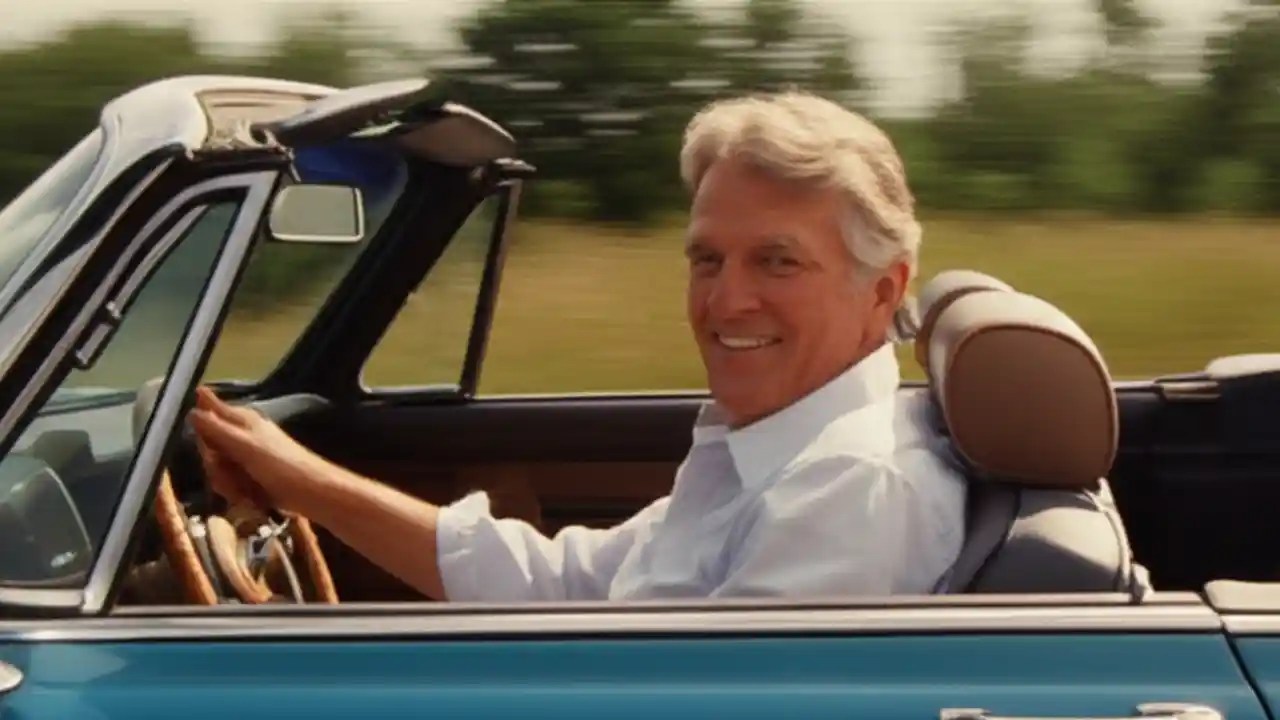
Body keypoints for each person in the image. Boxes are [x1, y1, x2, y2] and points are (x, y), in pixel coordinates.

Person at [189, 90, 966, 602]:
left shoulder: (848, 488)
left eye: (778, 260)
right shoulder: (778, 452)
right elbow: (561, 584)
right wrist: (302, 484)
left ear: (883, 290)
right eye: (706, 259)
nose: (725, 301)